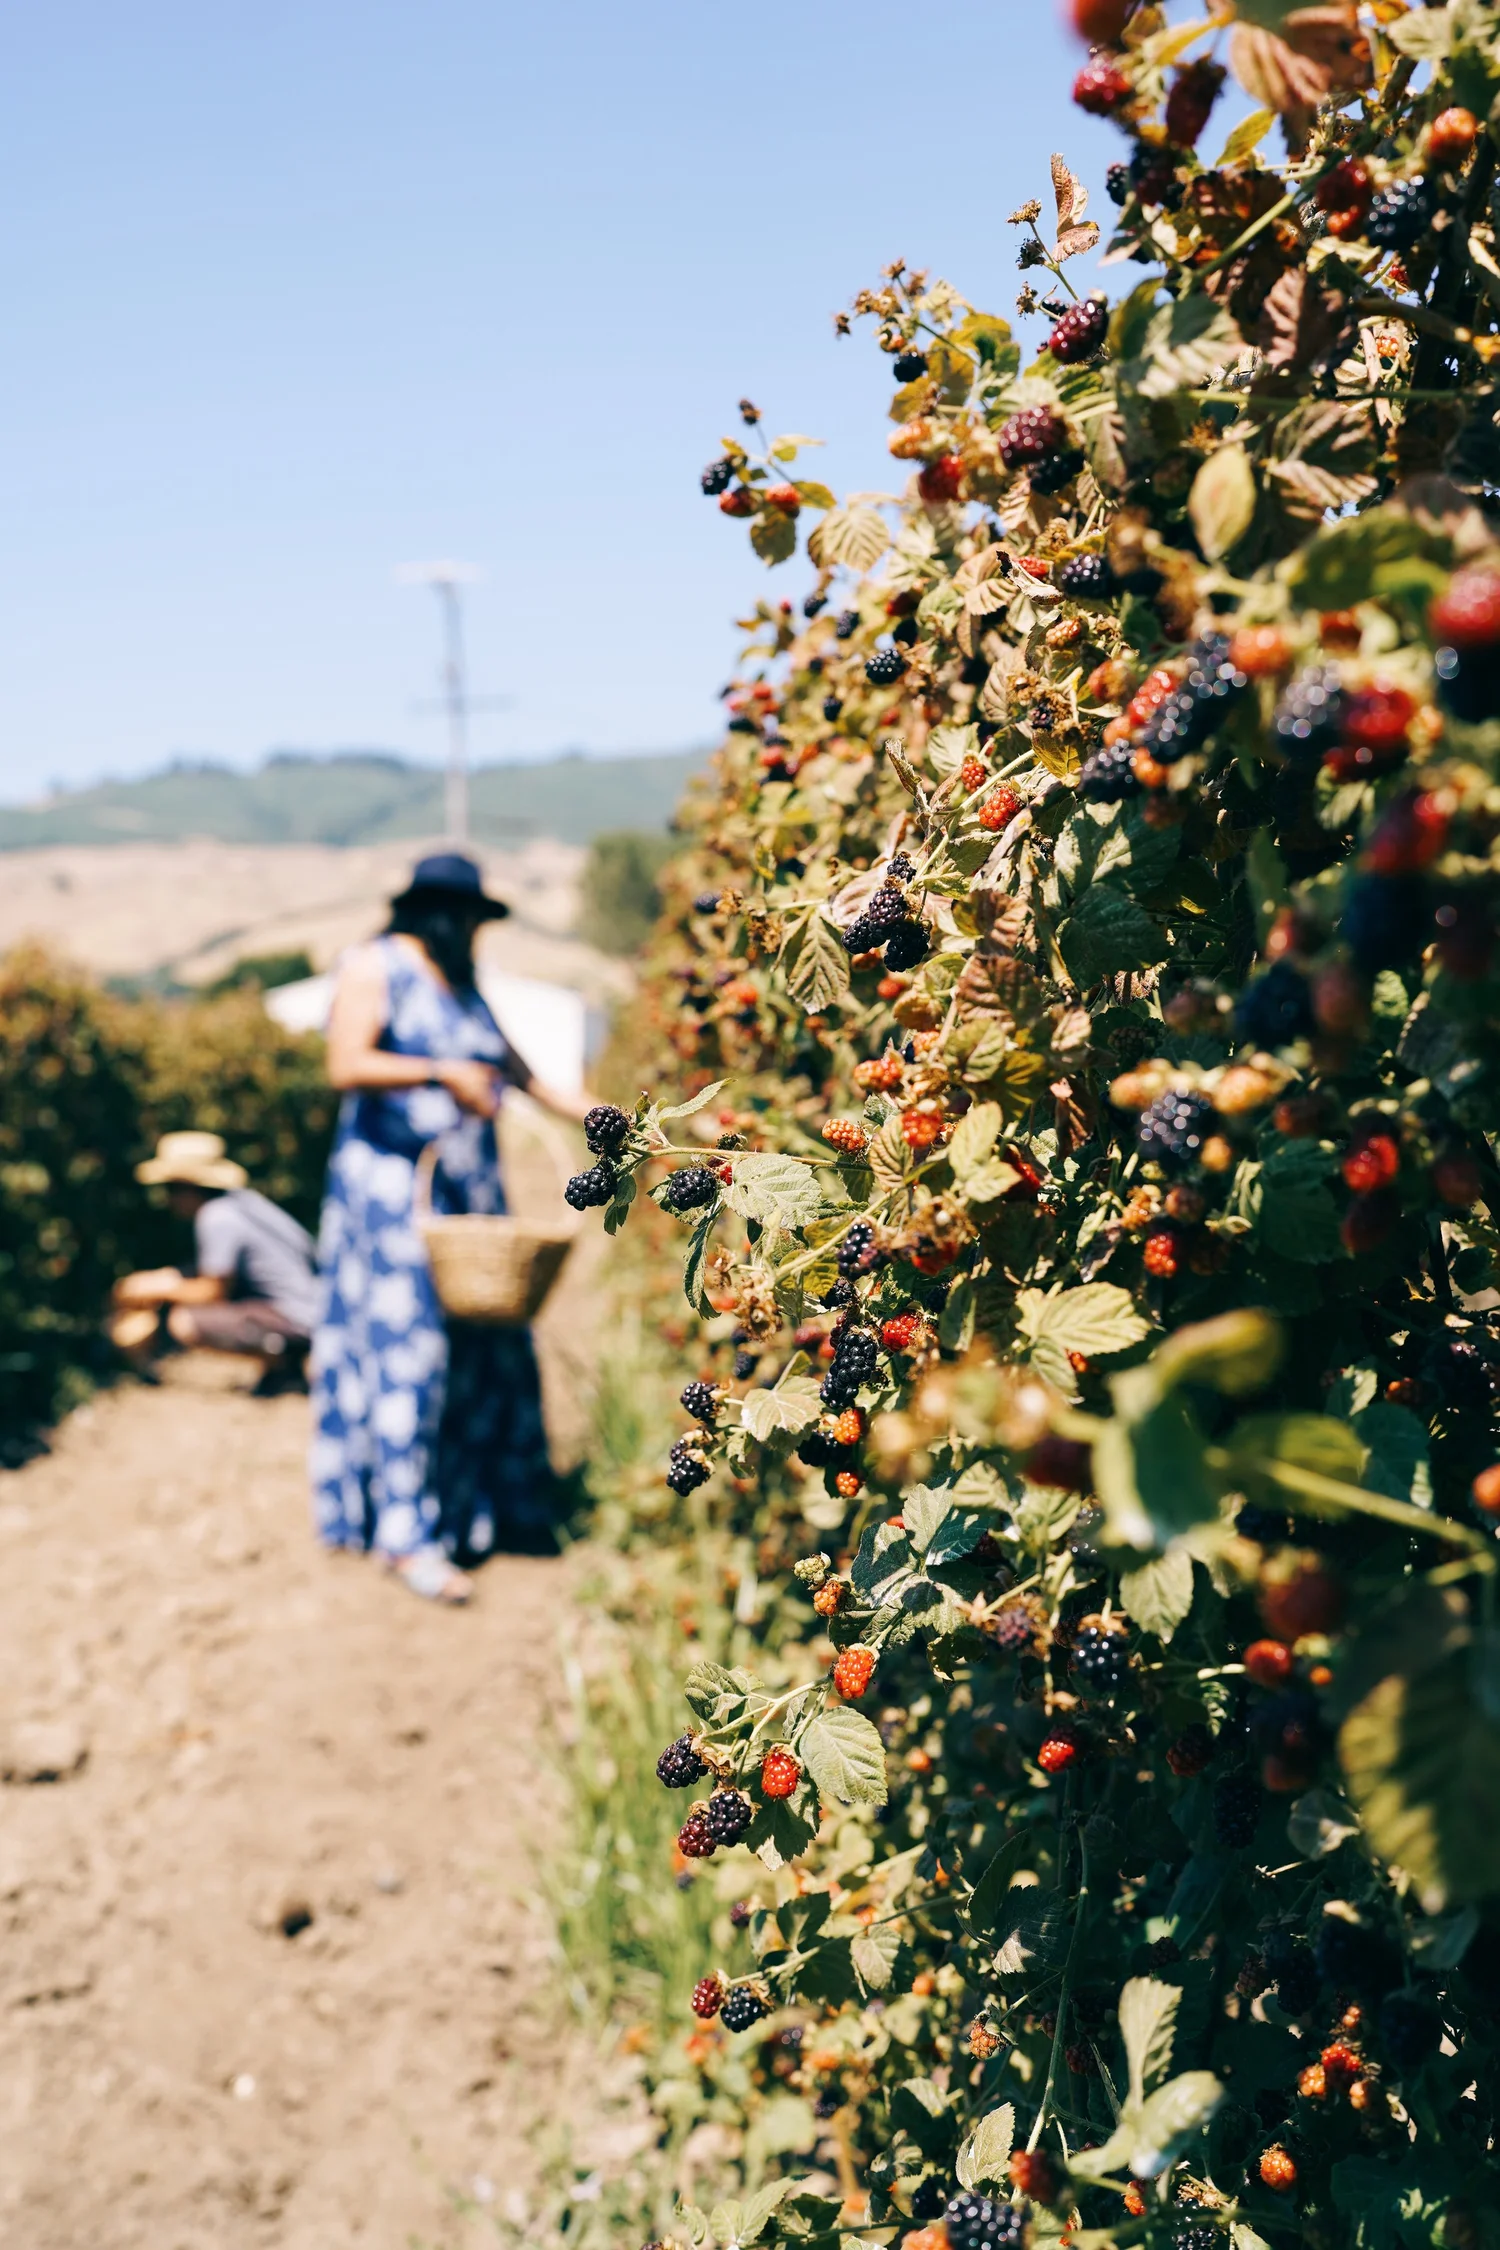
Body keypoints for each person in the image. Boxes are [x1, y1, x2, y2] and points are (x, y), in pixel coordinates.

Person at [309, 850, 590, 1603]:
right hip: (396, 1197)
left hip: (468, 1193)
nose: (474, 933)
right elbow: (345, 1063)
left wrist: (602, 1120)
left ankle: (488, 1510)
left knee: (488, 1344)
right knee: (413, 1356)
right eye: (468, 919)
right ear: (441, 914)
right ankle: (407, 1536)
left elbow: (522, 1073)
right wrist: (439, 1073)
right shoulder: (376, 966)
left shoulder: (462, 984)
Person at [112, 1131, 319, 1393]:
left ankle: (282, 1362)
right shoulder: (244, 1204)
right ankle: (283, 1365)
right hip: (310, 1308)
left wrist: (156, 1289)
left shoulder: (217, 1217)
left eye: (171, 1189)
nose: (167, 1199)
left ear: (188, 1187)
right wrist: (166, 1277)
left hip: (297, 1317)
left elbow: (212, 1290)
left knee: (185, 1321)